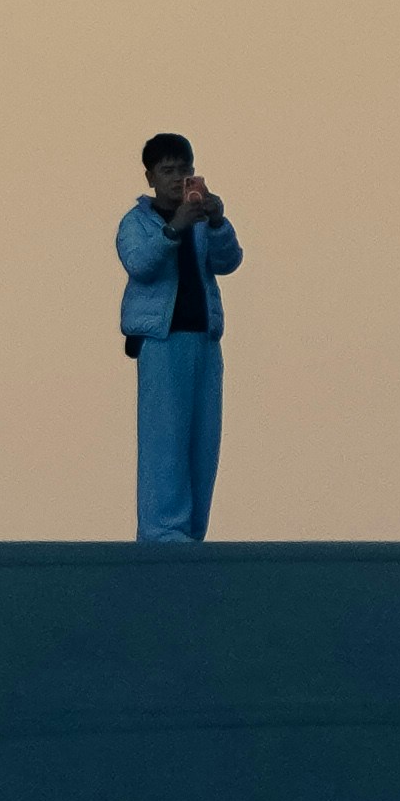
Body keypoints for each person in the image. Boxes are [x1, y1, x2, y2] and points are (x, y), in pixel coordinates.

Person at [117, 134, 243, 545]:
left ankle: (192, 531)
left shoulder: (202, 221)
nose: (177, 179)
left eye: (184, 170)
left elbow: (229, 262)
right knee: (164, 437)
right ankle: (161, 531)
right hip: (161, 340)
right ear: (150, 176)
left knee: (203, 440)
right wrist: (175, 229)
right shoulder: (136, 222)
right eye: (168, 171)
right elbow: (141, 265)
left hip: (205, 340)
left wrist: (218, 221)